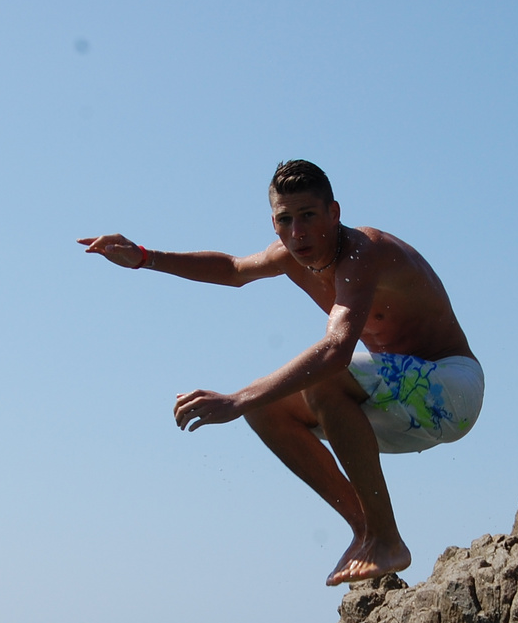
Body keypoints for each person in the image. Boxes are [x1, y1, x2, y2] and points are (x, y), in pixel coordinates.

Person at [78, 160, 482, 586]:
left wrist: (236, 399)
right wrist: (144, 257)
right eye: (285, 220)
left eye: (308, 216)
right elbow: (233, 270)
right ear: (273, 224)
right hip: (401, 407)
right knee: (266, 408)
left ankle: (387, 539)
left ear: (334, 213)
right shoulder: (290, 257)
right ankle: (364, 527)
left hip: (454, 390)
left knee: (314, 378)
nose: (298, 233)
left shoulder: (365, 252)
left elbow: (335, 351)